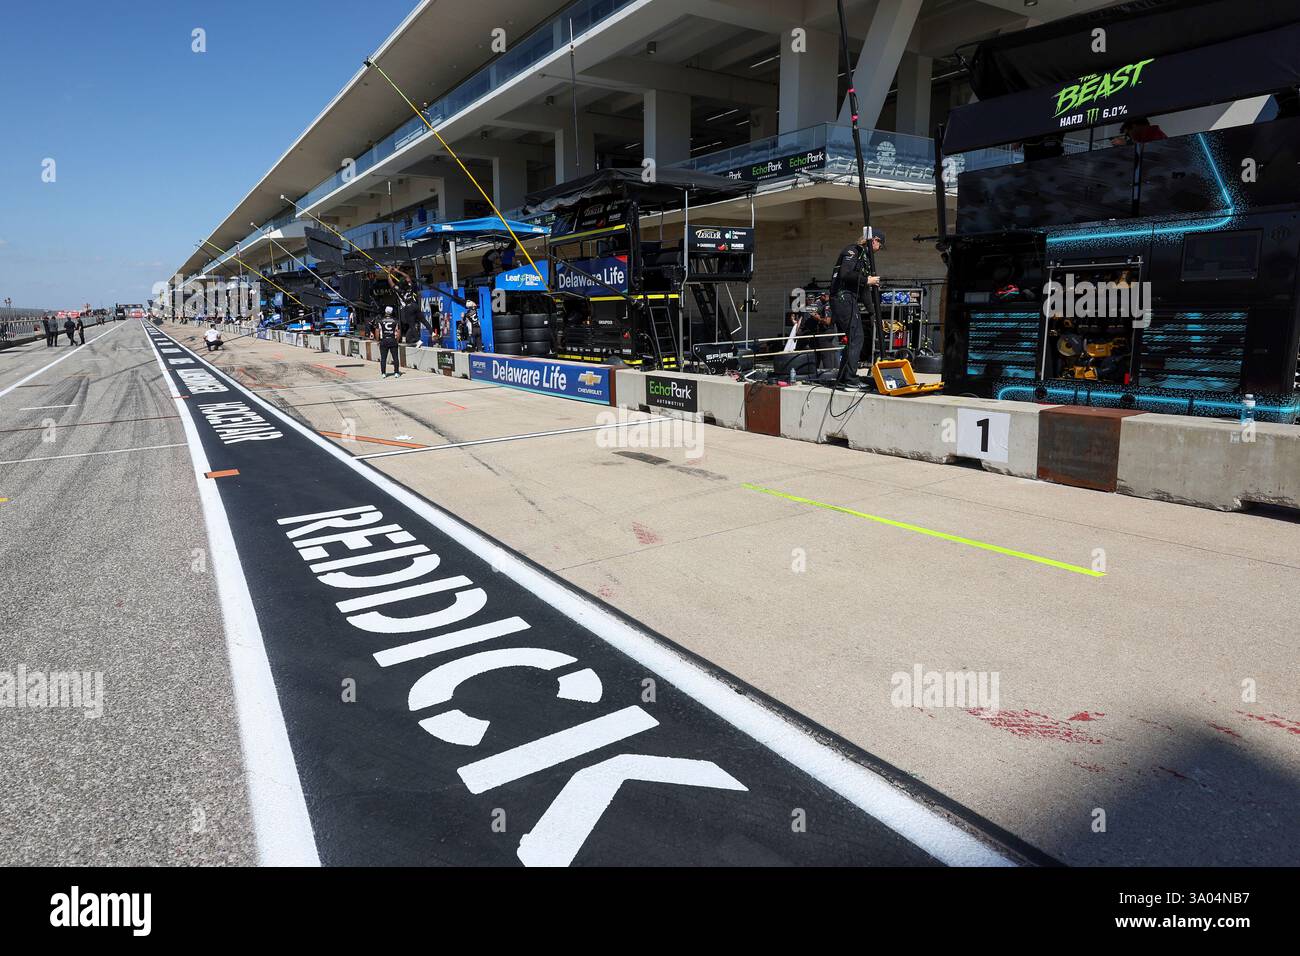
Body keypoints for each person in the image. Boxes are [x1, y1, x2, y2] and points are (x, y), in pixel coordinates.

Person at [828, 229, 883, 386]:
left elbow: (864, 291)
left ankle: (844, 378)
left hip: (849, 299)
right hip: (841, 297)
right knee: (856, 337)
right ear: (874, 240)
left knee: (855, 337)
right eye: (880, 244)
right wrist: (867, 280)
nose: (879, 249)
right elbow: (845, 274)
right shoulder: (853, 250)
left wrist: (873, 313)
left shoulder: (864, 258)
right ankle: (850, 379)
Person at [378, 305, 403, 377]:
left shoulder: (380, 321)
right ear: (391, 312)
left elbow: (377, 331)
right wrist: (397, 341)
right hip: (392, 340)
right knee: (395, 357)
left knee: (383, 358)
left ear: (385, 312)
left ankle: (383, 373)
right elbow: (398, 332)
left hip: (384, 340)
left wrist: (378, 340)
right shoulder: (396, 321)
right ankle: (396, 373)